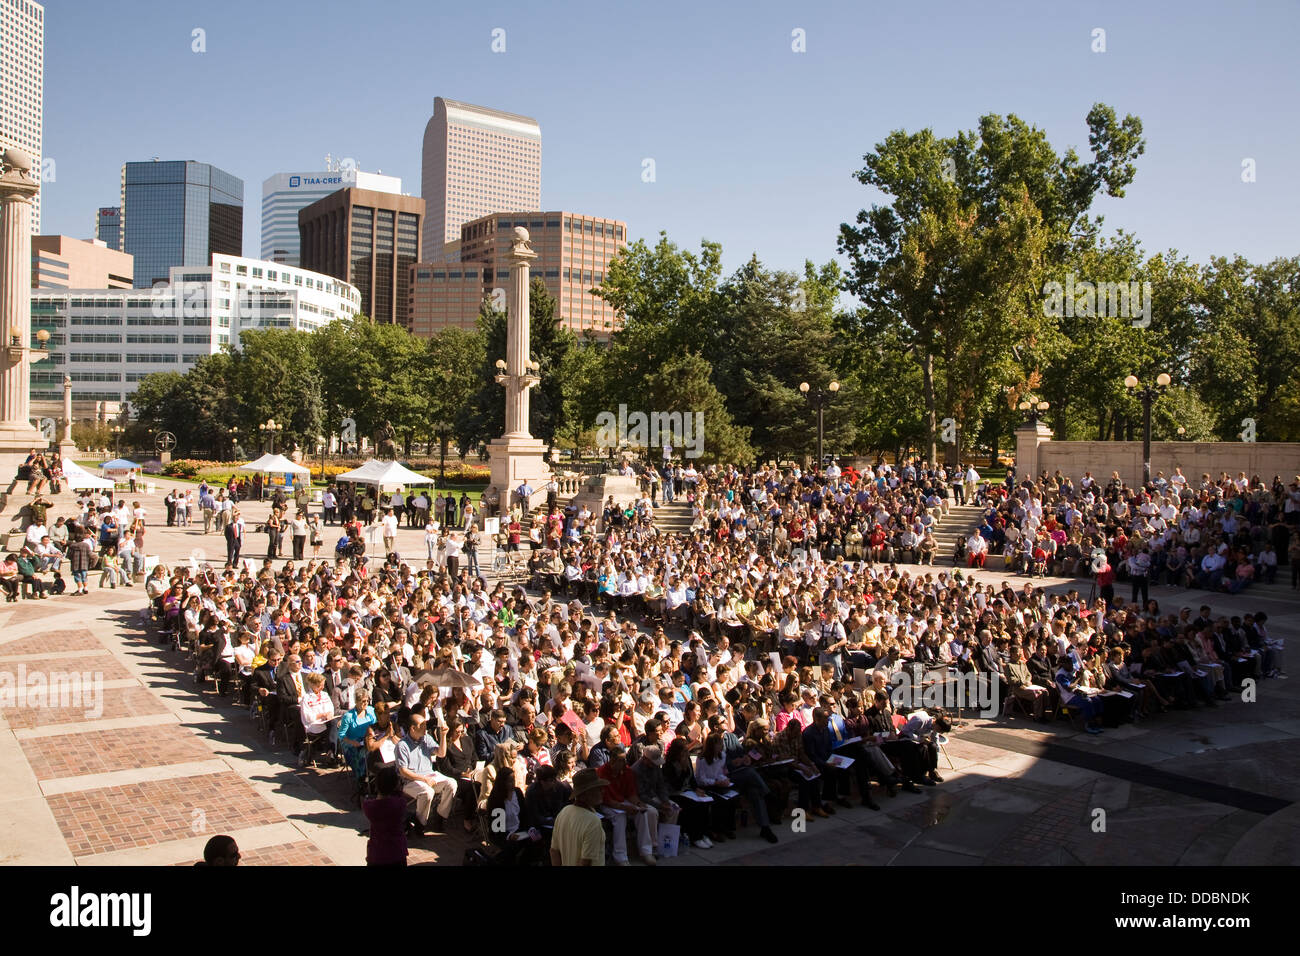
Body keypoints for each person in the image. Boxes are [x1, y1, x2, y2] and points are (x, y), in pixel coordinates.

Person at [396, 714, 458, 833]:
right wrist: (424, 780)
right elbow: (403, 771)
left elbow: (441, 754)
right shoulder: (402, 745)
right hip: (410, 780)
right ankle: (420, 823)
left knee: (452, 783)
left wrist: (443, 736)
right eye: (422, 725)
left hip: (429, 775)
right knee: (427, 792)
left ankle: (440, 816)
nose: (426, 727)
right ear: (413, 728)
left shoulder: (426, 738)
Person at [550, 768, 608, 866]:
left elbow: (554, 851)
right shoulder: (593, 821)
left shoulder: (564, 812)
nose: (602, 791)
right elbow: (585, 862)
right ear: (586, 793)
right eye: (598, 789)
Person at [363, 766, 408, 867]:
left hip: (377, 854)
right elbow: (401, 796)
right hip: (397, 852)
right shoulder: (399, 804)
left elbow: (368, 801)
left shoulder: (369, 806)